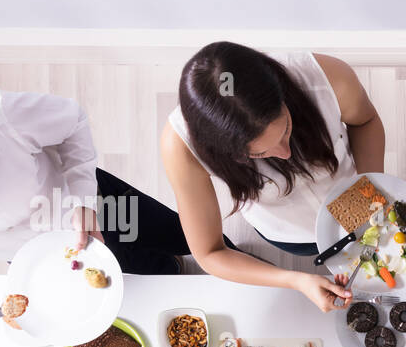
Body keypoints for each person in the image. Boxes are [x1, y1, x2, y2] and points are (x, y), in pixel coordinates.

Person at [0, 86, 188, 341]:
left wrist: (83, 202)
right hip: (37, 259)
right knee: (144, 281)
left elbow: (73, 122)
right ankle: (174, 270)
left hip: (93, 203)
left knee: (187, 237)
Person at [161, 42, 387, 312]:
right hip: (289, 232)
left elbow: (365, 121)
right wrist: (295, 280)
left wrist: (366, 191)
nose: (284, 153)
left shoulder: (327, 76)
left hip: (357, 196)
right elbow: (209, 253)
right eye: (258, 154)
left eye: (285, 129)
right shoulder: (180, 148)